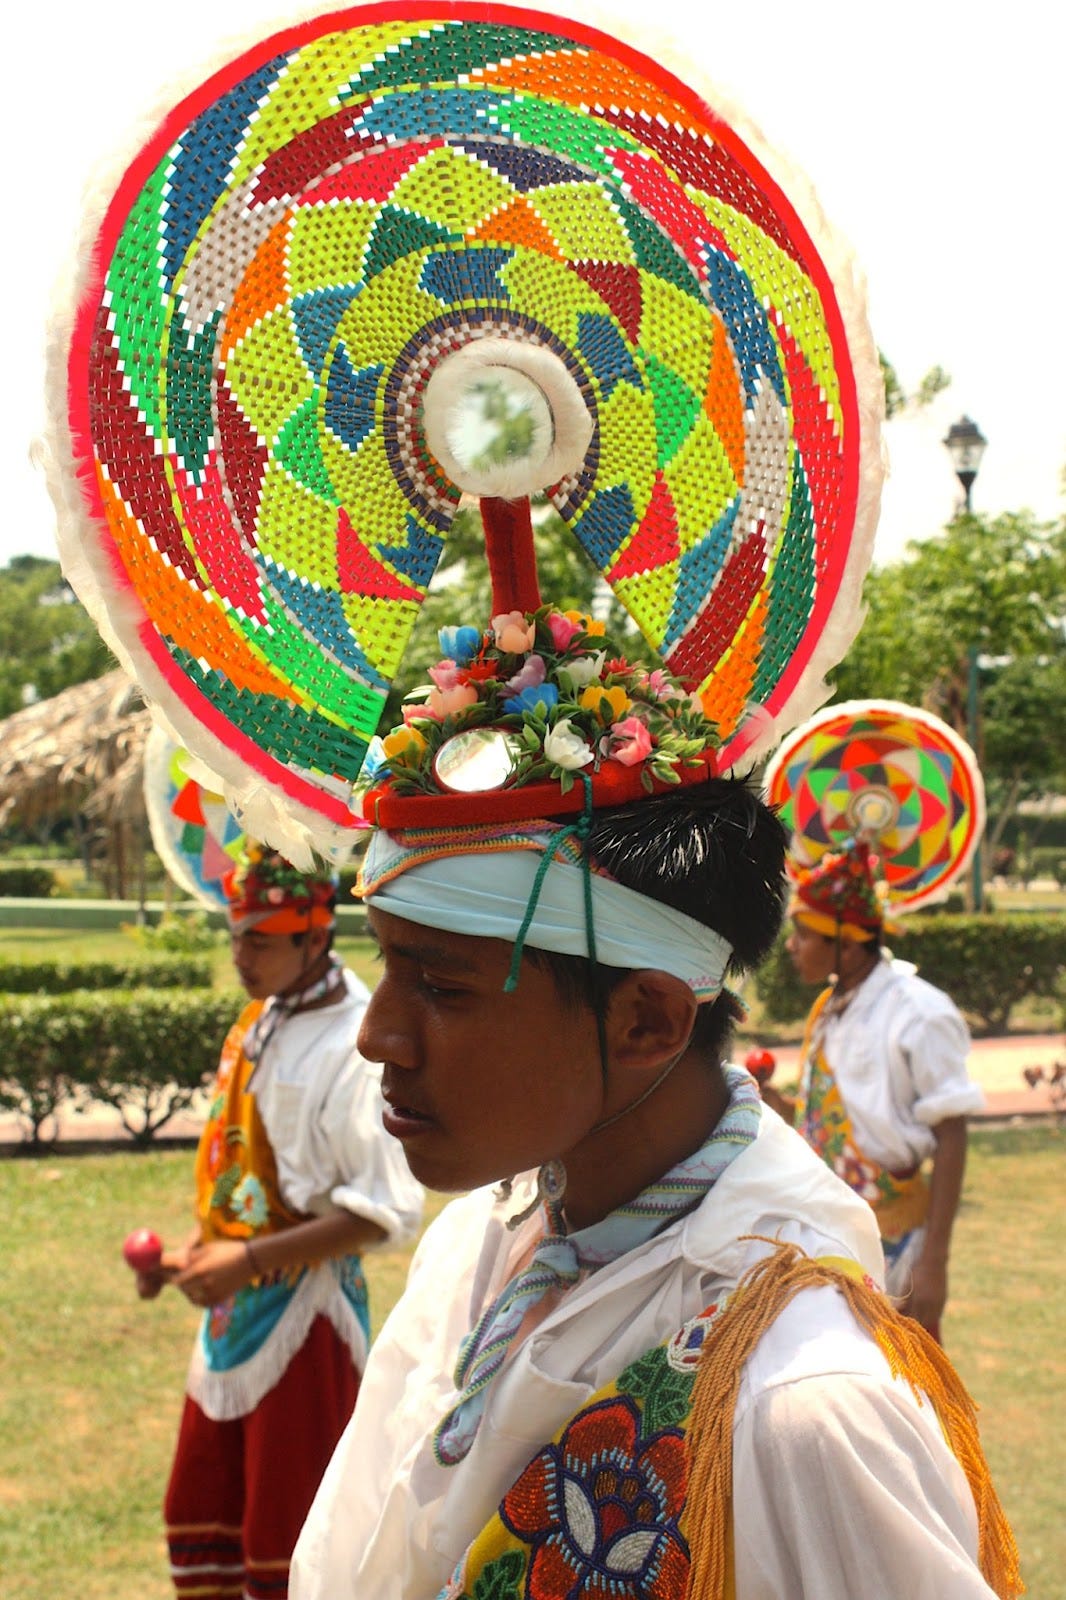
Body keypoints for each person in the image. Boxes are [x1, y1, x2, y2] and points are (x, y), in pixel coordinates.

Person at [289, 611, 1019, 1600]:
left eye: (444, 985)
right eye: (386, 965)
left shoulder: (800, 1403)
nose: (375, 1034)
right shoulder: (473, 1249)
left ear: (645, 1021)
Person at [131, 844, 424, 1600]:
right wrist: (206, 1249)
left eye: (260, 939)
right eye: (237, 936)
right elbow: (246, 1164)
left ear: (315, 938)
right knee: (204, 1508)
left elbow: (383, 1209)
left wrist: (250, 1260)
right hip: (238, 1307)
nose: (241, 956)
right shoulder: (261, 1020)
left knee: (285, 1537)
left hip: (307, 1320)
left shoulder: (351, 1044)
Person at [780, 837, 985, 1341]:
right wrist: (778, 1107)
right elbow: (832, 1123)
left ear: (846, 943)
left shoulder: (918, 1012)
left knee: (900, 1395)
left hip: (897, 1246)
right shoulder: (832, 1007)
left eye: (802, 934)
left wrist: (934, 1262)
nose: (791, 946)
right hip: (830, 1239)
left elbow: (952, 1134)